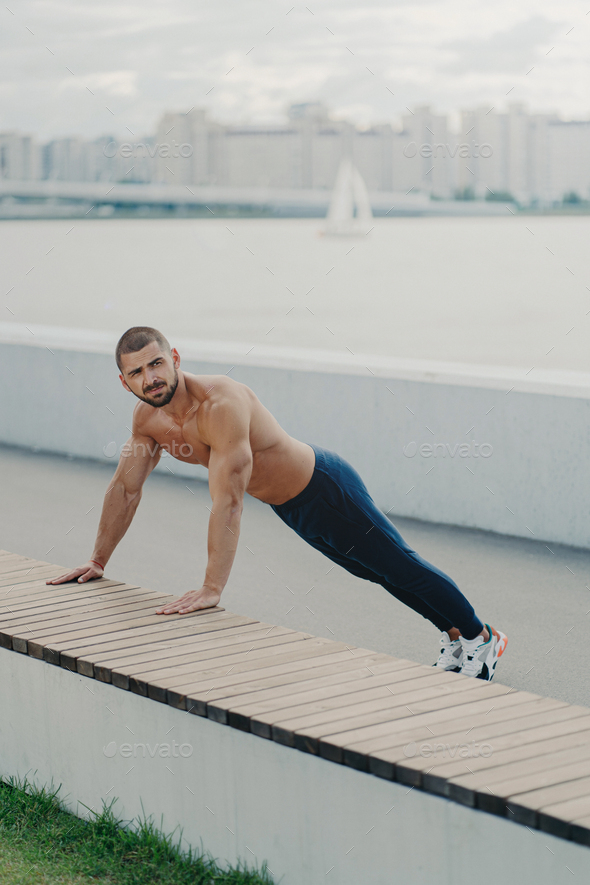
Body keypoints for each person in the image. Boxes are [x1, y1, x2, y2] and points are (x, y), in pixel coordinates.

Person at [47, 326, 507, 682]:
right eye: (137, 372)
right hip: (291, 506)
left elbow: (227, 501)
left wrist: (211, 588)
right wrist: (97, 559)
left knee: (398, 564)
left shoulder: (220, 404)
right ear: (124, 382)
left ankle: (482, 638)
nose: (150, 378)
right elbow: (125, 490)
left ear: (175, 359)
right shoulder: (147, 419)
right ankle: (454, 636)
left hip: (325, 488)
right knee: (378, 571)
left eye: (156, 364)